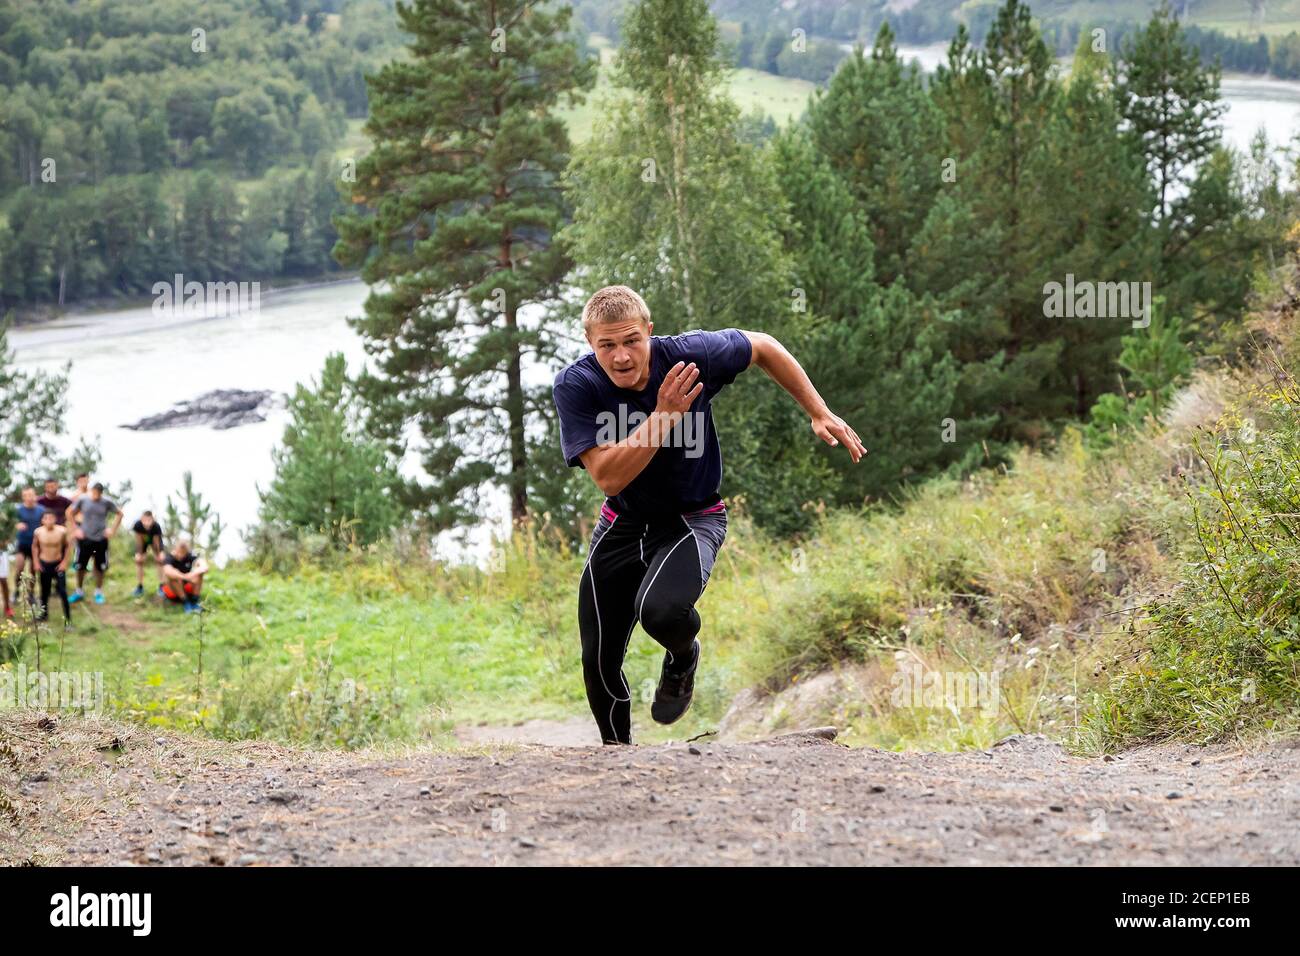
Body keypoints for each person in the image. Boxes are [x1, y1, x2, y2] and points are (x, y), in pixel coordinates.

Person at [552, 286, 866, 745]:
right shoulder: (578, 386)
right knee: (598, 660)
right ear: (589, 342)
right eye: (607, 345)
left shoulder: (690, 356)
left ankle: (682, 657)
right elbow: (608, 478)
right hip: (621, 522)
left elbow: (763, 346)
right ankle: (616, 760)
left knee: (660, 611)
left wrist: (818, 411)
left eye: (631, 341)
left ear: (649, 334)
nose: (621, 357)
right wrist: (663, 416)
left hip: (692, 518)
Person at [67, 483, 122, 605]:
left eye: (98, 494)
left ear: (101, 493)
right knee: (80, 566)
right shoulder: (83, 499)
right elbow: (70, 513)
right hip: (85, 538)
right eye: (94, 493)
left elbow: (120, 513)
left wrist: (112, 530)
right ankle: (79, 591)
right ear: (91, 491)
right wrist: (76, 529)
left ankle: (98, 592)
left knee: (100, 567)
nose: (96, 496)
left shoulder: (106, 502)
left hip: (101, 539)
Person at [31, 509, 72, 626]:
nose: (49, 521)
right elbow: (35, 547)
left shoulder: (62, 531)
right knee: (44, 591)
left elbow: (68, 547)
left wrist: (64, 563)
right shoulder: (38, 532)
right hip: (44, 563)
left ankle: (68, 620)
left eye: (51, 518)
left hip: (57, 564)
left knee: (63, 592)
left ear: (55, 519)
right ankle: (44, 615)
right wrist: (36, 562)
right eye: (46, 518)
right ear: (43, 520)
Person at [11, 487, 45, 614]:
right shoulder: (18, 510)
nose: (30, 497)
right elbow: (11, 523)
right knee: (19, 568)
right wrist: (17, 525)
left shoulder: (41, 510)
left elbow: (46, 523)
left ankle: (31, 594)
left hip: (36, 544)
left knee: (33, 571)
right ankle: (16, 591)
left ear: (35, 495)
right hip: (22, 543)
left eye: (31, 495)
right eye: (27, 495)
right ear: (23, 497)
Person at [160, 537, 208, 613]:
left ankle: (194, 602)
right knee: (173, 575)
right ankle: (185, 602)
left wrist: (193, 573)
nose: (181, 555)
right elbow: (167, 571)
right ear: (175, 549)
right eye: (179, 552)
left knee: (199, 573)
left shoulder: (189, 556)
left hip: (186, 587)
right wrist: (185, 577)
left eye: (184, 553)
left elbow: (204, 567)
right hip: (172, 591)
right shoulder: (169, 558)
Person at [131, 511, 165, 598]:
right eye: (145, 520)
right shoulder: (137, 525)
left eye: (149, 520)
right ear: (141, 519)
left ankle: (162, 586)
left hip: (155, 542)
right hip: (143, 542)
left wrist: (158, 555)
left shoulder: (156, 526)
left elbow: (156, 542)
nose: (147, 523)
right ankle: (140, 586)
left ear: (153, 520)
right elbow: (139, 541)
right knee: (139, 561)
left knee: (160, 560)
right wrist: (139, 553)